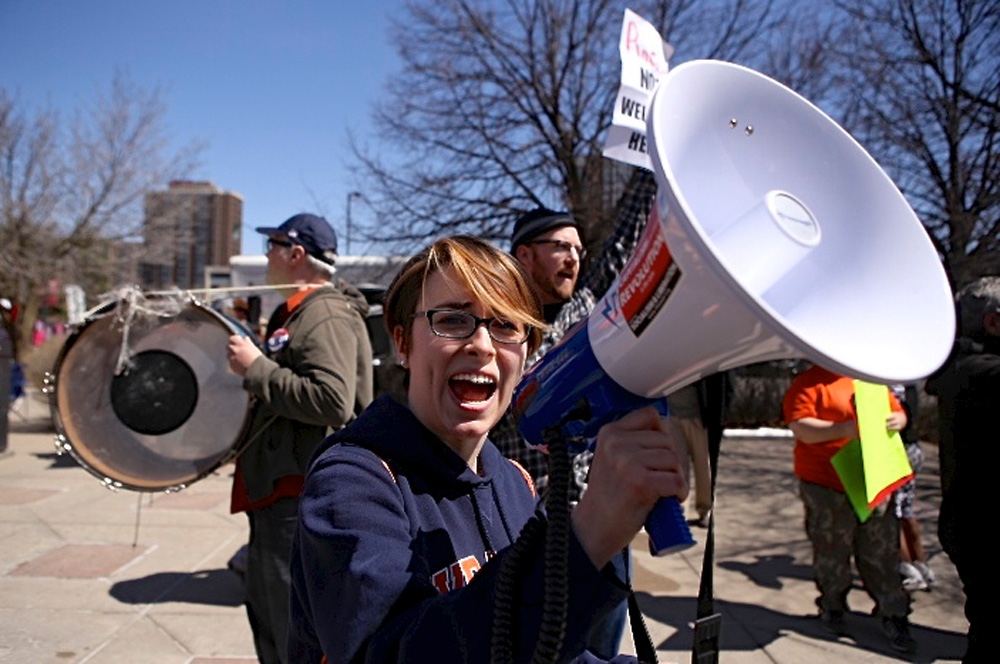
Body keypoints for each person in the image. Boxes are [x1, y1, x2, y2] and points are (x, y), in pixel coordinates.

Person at [288, 236, 687, 663]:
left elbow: (542, 648)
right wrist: (587, 535)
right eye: (453, 320)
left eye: (505, 326)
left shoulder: (516, 483)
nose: (481, 344)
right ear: (403, 344)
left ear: (527, 354)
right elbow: (392, 651)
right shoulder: (350, 482)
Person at [227, 212, 373, 664]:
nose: (266, 255)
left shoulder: (324, 314)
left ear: (297, 255)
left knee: (290, 631)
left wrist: (257, 367)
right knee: (272, 622)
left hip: (296, 496)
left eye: (272, 246)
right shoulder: (299, 311)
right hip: (280, 492)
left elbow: (333, 400)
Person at [783, 364, 914, 653]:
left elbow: (898, 412)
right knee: (832, 550)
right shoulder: (810, 383)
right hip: (825, 482)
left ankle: (894, 612)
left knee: (880, 552)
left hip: (872, 479)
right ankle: (832, 606)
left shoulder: (871, 382)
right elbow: (801, 427)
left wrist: (899, 419)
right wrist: (845, 429)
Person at [925, 276, 1000, 663]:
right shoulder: (980, 373)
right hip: (985, 530)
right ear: (993, 323)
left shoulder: (963, 368)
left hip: (970, 524)